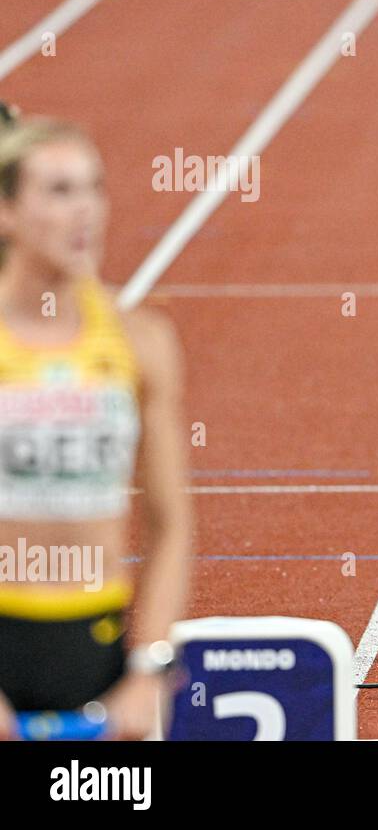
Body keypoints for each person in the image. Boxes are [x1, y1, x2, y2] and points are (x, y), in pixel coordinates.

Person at [0, 106, 193, 739]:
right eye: (59, 191)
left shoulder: (141, 342)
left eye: (95, 188)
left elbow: (169, 524)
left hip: (99, 652)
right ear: (7, 212)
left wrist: (149, 668)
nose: (86, 210)